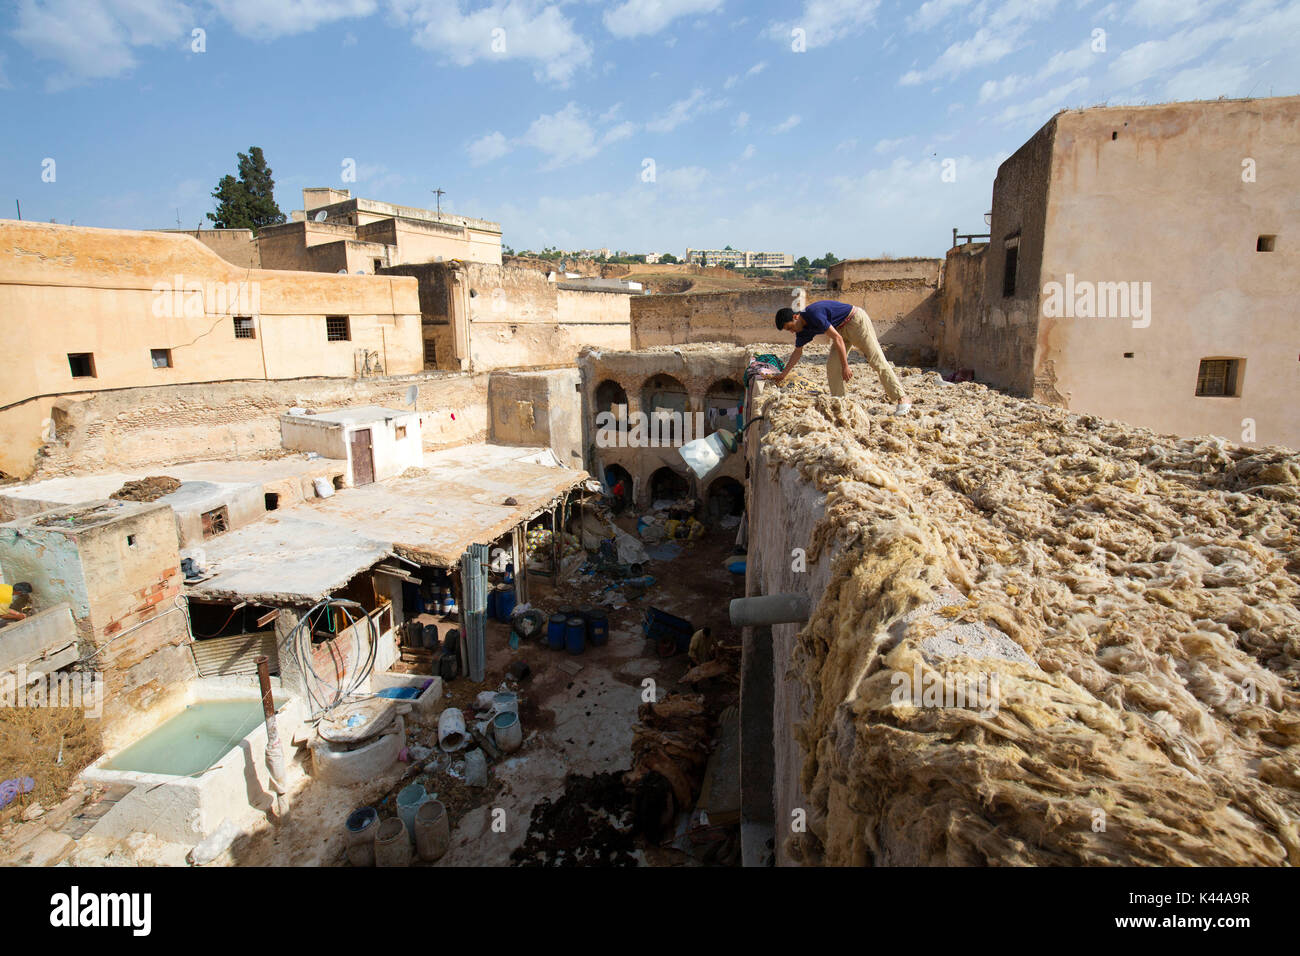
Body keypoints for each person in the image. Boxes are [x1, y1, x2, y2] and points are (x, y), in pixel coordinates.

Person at [772, 301, 911, 414]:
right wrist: (783, 374)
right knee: (833, 367)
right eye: (788, 330)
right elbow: (797, 352)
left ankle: (902, 397)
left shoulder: (813, 314)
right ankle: (840, 404)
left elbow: (837, 339)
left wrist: (845, 366)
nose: (791, 331)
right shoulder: (802, 330)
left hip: (855, 322)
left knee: (876, 360)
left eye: (790, 327)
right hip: (840, 330)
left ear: (796, 317)